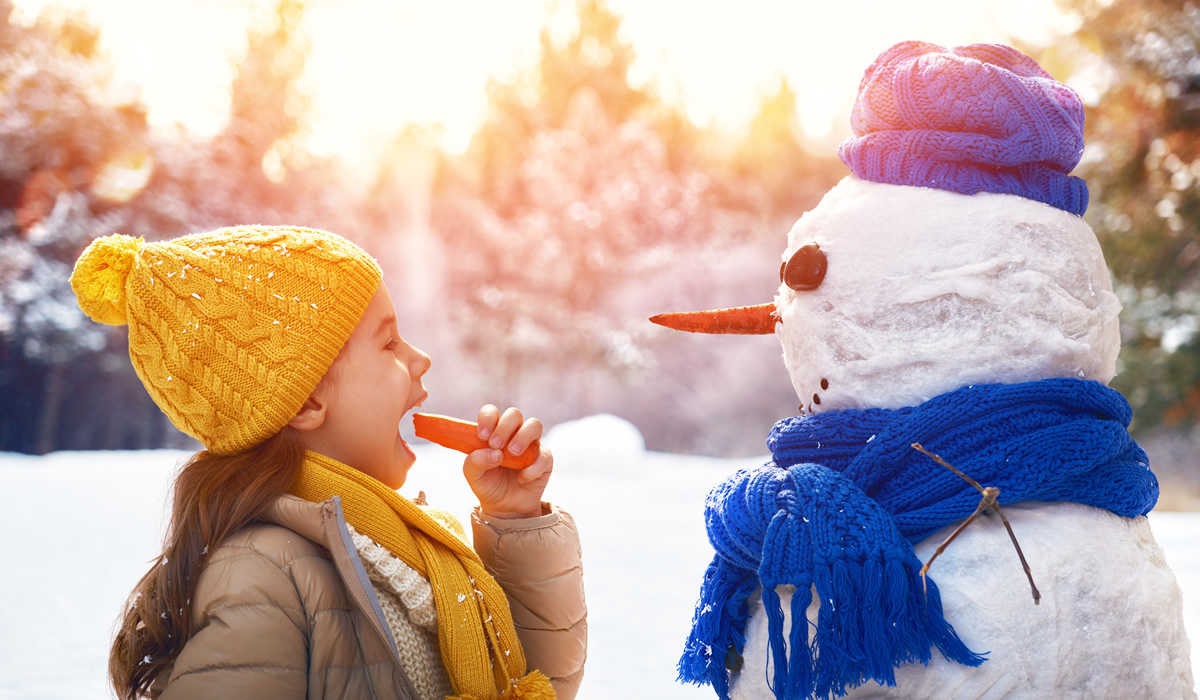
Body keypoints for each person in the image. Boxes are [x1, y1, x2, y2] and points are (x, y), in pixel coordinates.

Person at [70, 225, 587, 700]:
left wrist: (515, 519)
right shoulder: (259, 578)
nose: (420, 358)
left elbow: (528, 681)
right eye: (388, 342)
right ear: (307, 402)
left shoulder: (407, 543)